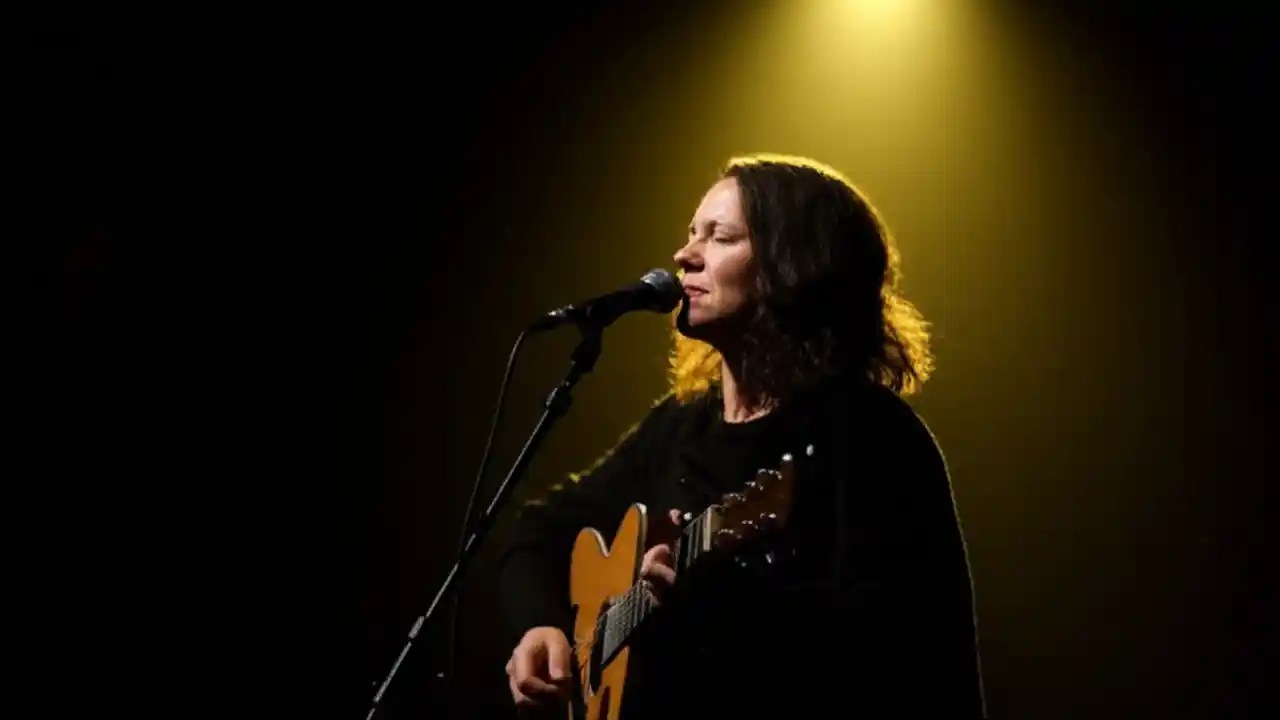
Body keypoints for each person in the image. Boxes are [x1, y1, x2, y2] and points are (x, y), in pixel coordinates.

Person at [496, 154, 986, 718]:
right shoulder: (679, 427)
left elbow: (903, 650)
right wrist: (540, 625)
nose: (684, 256)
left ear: (793, 267)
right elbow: (534, 532)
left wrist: (725, 599)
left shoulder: (870, 437)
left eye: (720, 236)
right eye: (690, 234)